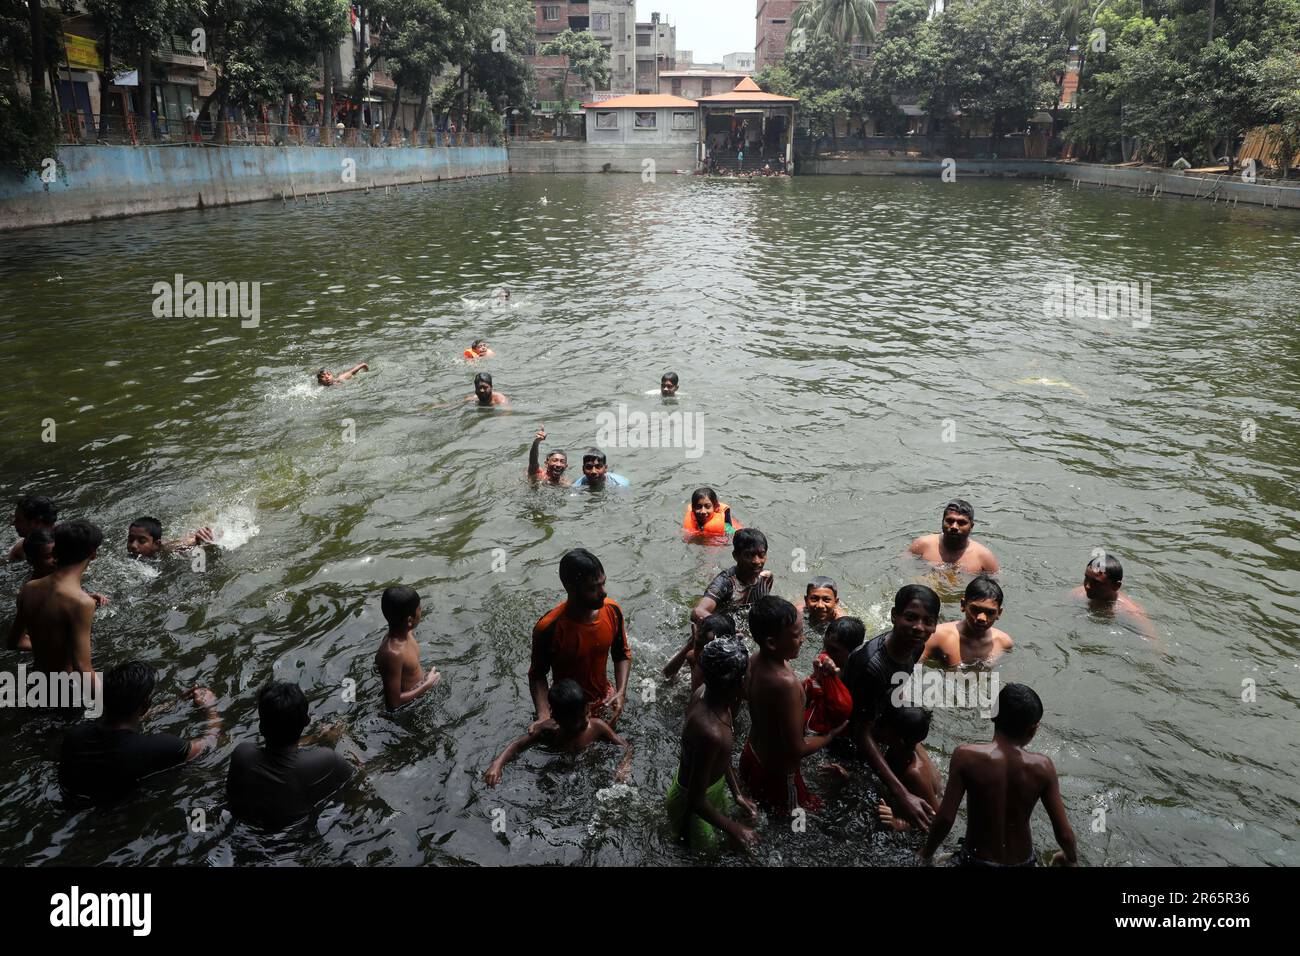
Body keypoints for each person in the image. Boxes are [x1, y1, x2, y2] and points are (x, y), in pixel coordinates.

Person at [921, 683, 1077, 867]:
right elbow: (1064, 833)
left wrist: (925, 854)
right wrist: (1070, 858)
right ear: (1033, 729)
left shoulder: (965, 756)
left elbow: (945, 819)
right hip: (1023, 863)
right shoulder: (1043, 767)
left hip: (975, 861)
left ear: (993, 715)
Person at [842, 584, 941, 830]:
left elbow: (897, 689)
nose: (919, 627)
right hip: (849, 736)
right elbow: (859, 733)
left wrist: (910, 740)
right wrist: (902, 793)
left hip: (879, 722)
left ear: (935, 625)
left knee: (931, 781)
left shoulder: (916, 645)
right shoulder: (871, 666)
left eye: (927, 621)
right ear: (894, 616)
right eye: (911, 618)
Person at [59, 661, 220, 807]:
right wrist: (211, 708)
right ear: (145, 704)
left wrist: (177, 701)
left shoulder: (75, 735)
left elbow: (124, 715)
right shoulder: (157, 747)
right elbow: (210, 742)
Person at [741, 596, 845, 815]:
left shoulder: (754, 659)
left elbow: (775, 709)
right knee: (801, 817)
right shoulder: (786, 684)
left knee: (755, 805)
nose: (804, 639)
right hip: (778, 775)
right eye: (797, 635)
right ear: (772, 642)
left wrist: (815, 679)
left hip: (751, 756)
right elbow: (797, 748)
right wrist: (831, 735)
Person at [665, 639, 758, 849]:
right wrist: (736, 828)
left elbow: (719, 758)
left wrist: (737, 794)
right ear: (739, 682)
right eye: (749, 674)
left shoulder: (711, 696)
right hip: (692, 807)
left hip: (710, 789)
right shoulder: (710, 732)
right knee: (705, 855)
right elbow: (695, 800)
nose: (752, 678)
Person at [226, 681, 355, 830]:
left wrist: (313, 738)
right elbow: (360, 780)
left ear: (261, 726)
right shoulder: (327, 760)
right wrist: (344, 740)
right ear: (306, 721)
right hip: (297, 844)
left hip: (245, 835)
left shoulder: (242, 755)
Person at [528, 549, 631, 728]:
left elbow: (621, 654)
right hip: (566, 714)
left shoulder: (612, 611)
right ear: (570, 588)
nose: (603, 592)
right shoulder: (548, 628)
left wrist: (621, 692)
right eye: (593, 588)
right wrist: (544, 716)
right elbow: (537, 675)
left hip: (605, 700)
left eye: (603, 583)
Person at [663, 528, 773, 681]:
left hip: (738, 633)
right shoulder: (725, 583)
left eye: (761, 555)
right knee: (673, 679)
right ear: (735, 556)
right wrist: (727, 628)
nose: (757, 561)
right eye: (749, 555)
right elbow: (698, 611)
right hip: (713, 633)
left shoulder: (765, 579)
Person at [483, 678, 632, 787]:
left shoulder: (596, 727)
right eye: (577, 719)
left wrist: (624, 765)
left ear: (587, 707)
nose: (586, 720)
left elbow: (626, 746)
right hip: (560, 773)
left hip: (588, 770)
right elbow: (517, 745)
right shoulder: (550, 730)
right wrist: (497, 764)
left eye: (586, 713)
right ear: (557, 719)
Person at [6, 520, 103, 679]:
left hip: (36, 679)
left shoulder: (28, 588)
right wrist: (106, 702)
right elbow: (82, 667)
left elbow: (13, 642)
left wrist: (44, 644)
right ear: (93, 555)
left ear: (56, 551)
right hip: (65, 686)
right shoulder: (81, 602)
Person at [874, 706, 942, 832]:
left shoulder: (914, 775)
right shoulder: (907, 744)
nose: (881, 727)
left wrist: (898, 823)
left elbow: (937, 823)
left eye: (887, 727)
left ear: (899, 741)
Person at [923, 574, 1014, 667]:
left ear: (999, 613)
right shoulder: (937, 637)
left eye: (990, 612)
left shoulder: (1004, 643)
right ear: (963, 605)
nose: (981, 618)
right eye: (975, 609)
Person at [375, 585, 440, 711]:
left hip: (418, 693)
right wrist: (428, 684)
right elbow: (393, 704)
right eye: (419, 608)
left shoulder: (406, 634)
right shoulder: (394, 653)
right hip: (411, 707)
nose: (422, 610)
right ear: (410, 619)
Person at [1070, 552, 1159, 643]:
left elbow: (1152, 640)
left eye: (1096, 583)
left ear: (1116, 586)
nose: (1087, 586)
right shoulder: (1077, 594)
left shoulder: (1130, 611)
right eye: (1086, 578)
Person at [803, 616, 863, 736]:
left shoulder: (861, 676)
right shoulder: (825, 663)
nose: (825, 654)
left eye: (834, 650)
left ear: (854, 651)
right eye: (825, 646)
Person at [907, 499, 999, 574]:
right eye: (950, 521)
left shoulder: (984, 557)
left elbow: (993, 592)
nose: (954, 526)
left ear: (971, 526)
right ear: (942, 522)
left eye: (961, 522)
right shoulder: (922, 545)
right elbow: (903, 569)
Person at [683, 612, 736, 690]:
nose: (702, 655)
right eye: (699, 645)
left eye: (709, 649)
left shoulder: (728, 674)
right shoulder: (693, 657)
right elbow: (666, 676)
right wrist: (691, 643)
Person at [126, 517, 214, 558]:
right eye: (131, 539)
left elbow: (188, 543)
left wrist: (200, 538)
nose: (133, 545)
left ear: (156, 544)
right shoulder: (132, 554)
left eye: (141, 541)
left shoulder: (166, 550)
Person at [7, 494, 57, 562]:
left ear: (36, 522)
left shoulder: (64, 543)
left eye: (18, 520)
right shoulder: (20, 548)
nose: (13, 524)